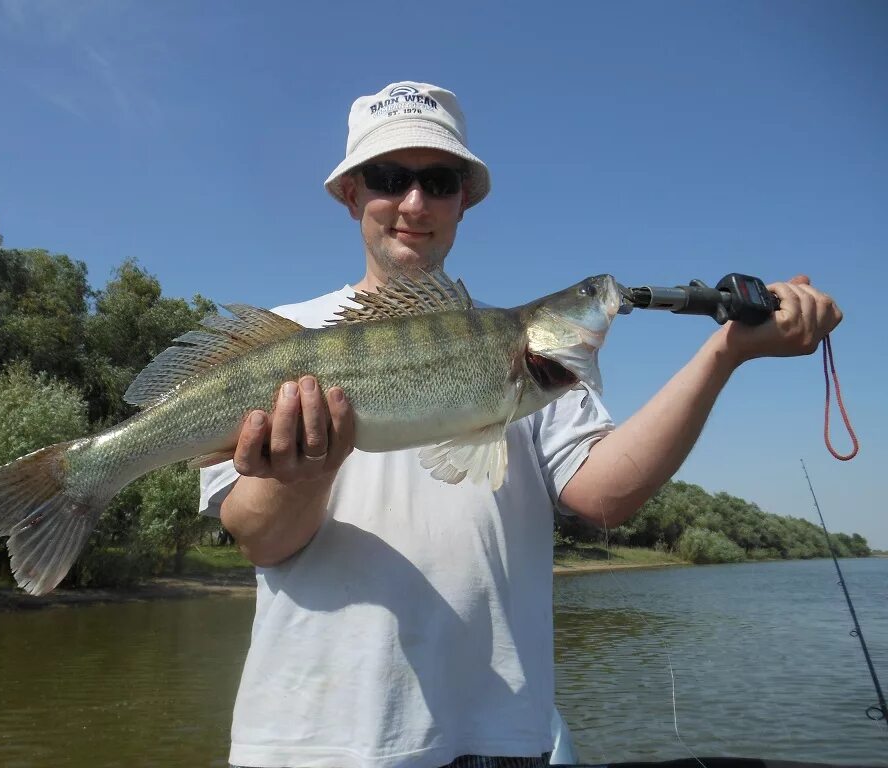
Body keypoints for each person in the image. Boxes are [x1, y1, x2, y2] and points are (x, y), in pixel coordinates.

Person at [199, 81, 842, 768]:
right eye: (389, 178)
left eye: (440, 181)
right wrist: (309, 473)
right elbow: (258, 538)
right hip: (313, 742)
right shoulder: (282, 342)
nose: (415, 202)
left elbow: (607, 495)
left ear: (463, 202)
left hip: (501, 738)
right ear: (353, 195)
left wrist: (726, 353)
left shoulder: (533, 363)